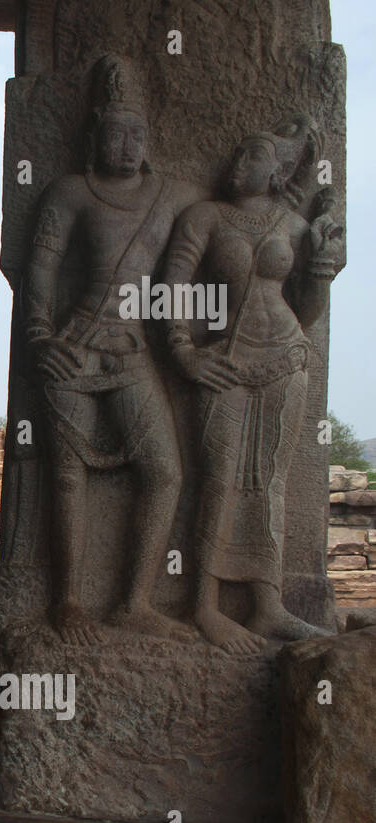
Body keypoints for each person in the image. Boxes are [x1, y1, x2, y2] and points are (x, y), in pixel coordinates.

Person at [24, 55, 203, 644]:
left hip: (131, 351)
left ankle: (134, 602)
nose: (126, 146)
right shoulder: (69, 193)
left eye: (137, 135)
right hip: (73, 348)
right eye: (115, 133)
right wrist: (37, 337)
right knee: (67, 472)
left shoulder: (171, 196)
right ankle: (68, 598)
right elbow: (40, 270)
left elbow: (222, 221)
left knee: (166, 472)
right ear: (94, 136)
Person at [161, 117, 341, 652]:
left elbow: (305, 313)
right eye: (236, 157)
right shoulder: (205, 218)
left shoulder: (292, 225)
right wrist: (184, 352)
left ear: (278, 170)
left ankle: (267, 604)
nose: (236, 167)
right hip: (225, 362)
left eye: (251, 157)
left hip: (287, 357)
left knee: (270, 483)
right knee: (216, 478)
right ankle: (202, 606)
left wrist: (321, 276)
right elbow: (170, 288)